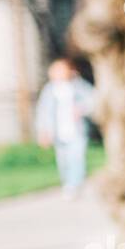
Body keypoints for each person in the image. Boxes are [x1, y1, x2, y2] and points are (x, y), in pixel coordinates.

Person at [35, 57, 96, 198]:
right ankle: (68, 182)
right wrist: (43, 132)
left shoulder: (78, 86)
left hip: (77, 131)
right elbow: (43, 112)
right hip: (58, 132)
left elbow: (93, 99)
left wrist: (81, 108)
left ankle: (74, 185)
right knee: (63, 160)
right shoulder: (49, 90)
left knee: (77, 157)